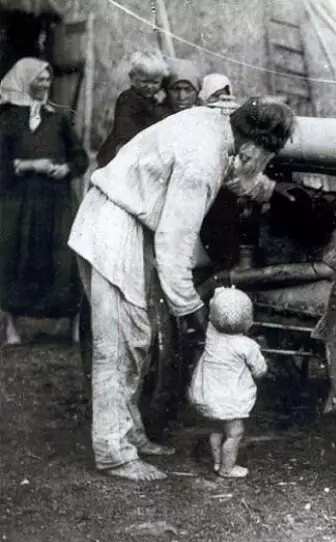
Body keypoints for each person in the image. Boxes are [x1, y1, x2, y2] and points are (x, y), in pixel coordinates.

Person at [68, 98, 295, 481]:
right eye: (266, 157)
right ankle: (113, 452)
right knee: (120, 345)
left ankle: (132, 435)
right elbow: (175, 242)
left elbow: (238, 175)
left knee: (137, 338)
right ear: (254, 146)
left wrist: (268, 190)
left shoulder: (216, 126)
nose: (262, 164)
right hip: (115, 225)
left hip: (126, 218)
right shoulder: (203, 159)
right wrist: (189, 308)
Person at [0, 58, 89, 345]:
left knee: (63, 260)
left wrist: (66, 169)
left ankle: (72, 327)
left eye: (48, 79)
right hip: (20, 202)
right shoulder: (7, 117)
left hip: (57, 202)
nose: (45, 84)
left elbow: (80, 157)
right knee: (17, 258)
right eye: (39, 78)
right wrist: (28, 165)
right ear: (24, 80)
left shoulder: (57, 118)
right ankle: (13, 328)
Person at [188, 287, 267, 478]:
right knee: (234, 433)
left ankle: (216, 463)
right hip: (229, 399)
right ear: (249, 321)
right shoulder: (247, 346)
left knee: (216, 429)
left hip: (208, 394)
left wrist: (219, 293)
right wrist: (260, 371)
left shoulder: (211, 334)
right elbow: (260, 370)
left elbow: (214, 308)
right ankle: (227, 469)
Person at [96, 50, 170, 168]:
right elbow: (124, 129)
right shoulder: (128, 99)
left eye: (155, 82)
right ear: (132, 78)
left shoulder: (152, 102)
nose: (150, 86)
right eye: (144, 81)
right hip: (123, 148)